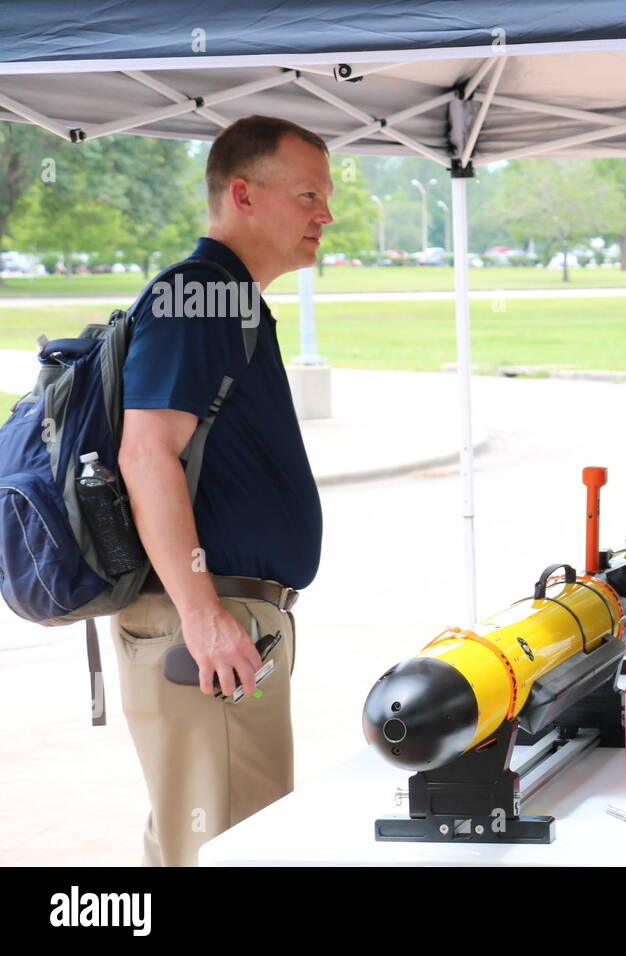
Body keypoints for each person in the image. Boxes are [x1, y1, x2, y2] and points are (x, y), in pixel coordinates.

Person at [113, 114, 332, 866]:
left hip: (224, 622)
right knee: (231, 845)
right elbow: (146, 456)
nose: (324, 215)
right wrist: (204, 618)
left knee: (203, 840)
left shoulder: (227, 299)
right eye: (307, 194)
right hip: (205, 626)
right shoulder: (200, 297)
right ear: (243, 193)